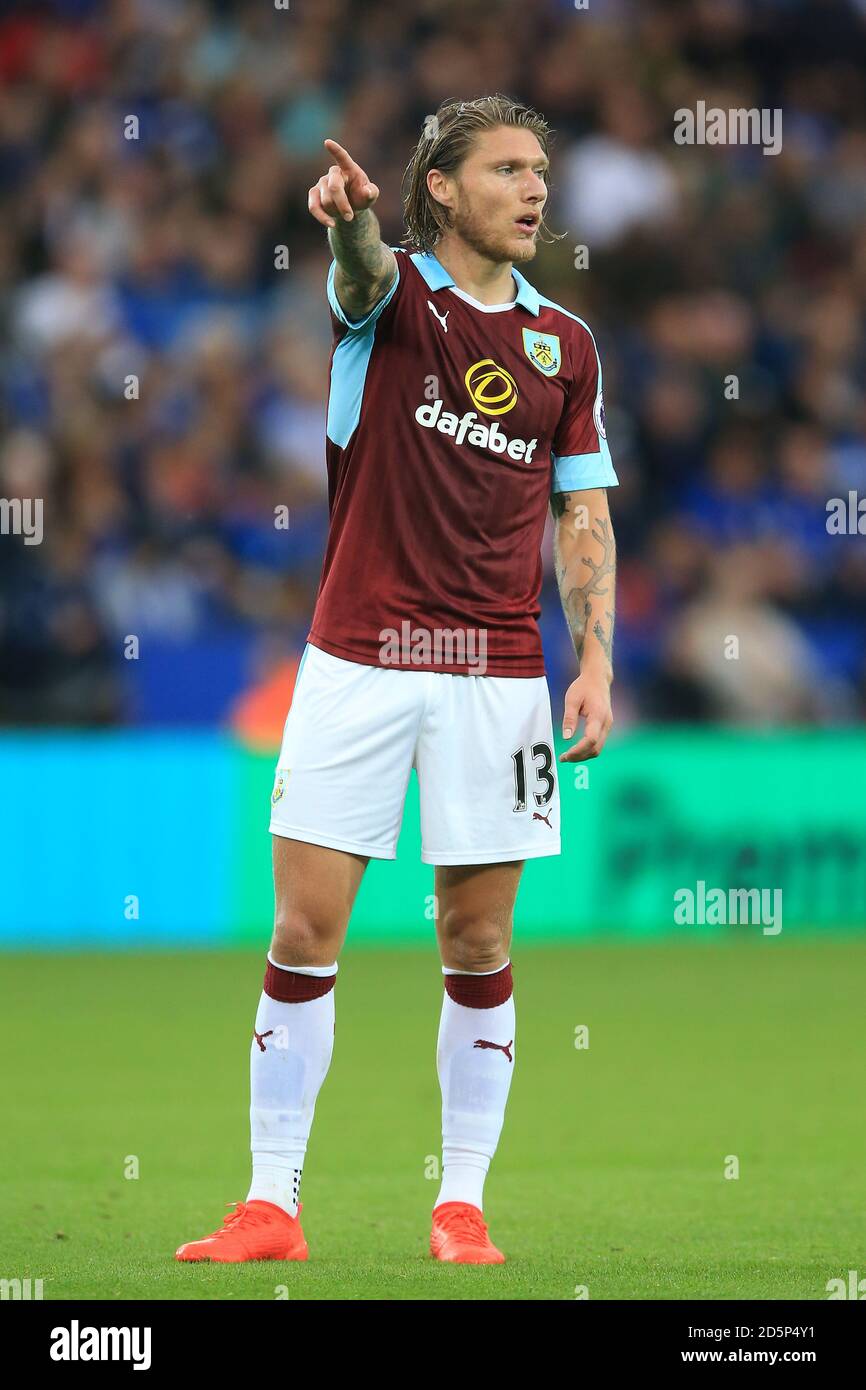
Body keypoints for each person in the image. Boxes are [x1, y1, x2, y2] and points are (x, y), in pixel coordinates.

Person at [176, 94, 617, 1267]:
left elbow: (582, 509)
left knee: (475, 943)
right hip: (357, 658)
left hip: (496, 676)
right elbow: (359, 273)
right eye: (507, 170)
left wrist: (595, 664)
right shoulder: (390, 301)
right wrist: (345, 225)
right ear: (441, 187)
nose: (534, 190)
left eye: (540, 170)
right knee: (304, 926)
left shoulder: (563, 344)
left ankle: (459, 1204)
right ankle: (272, 1203)